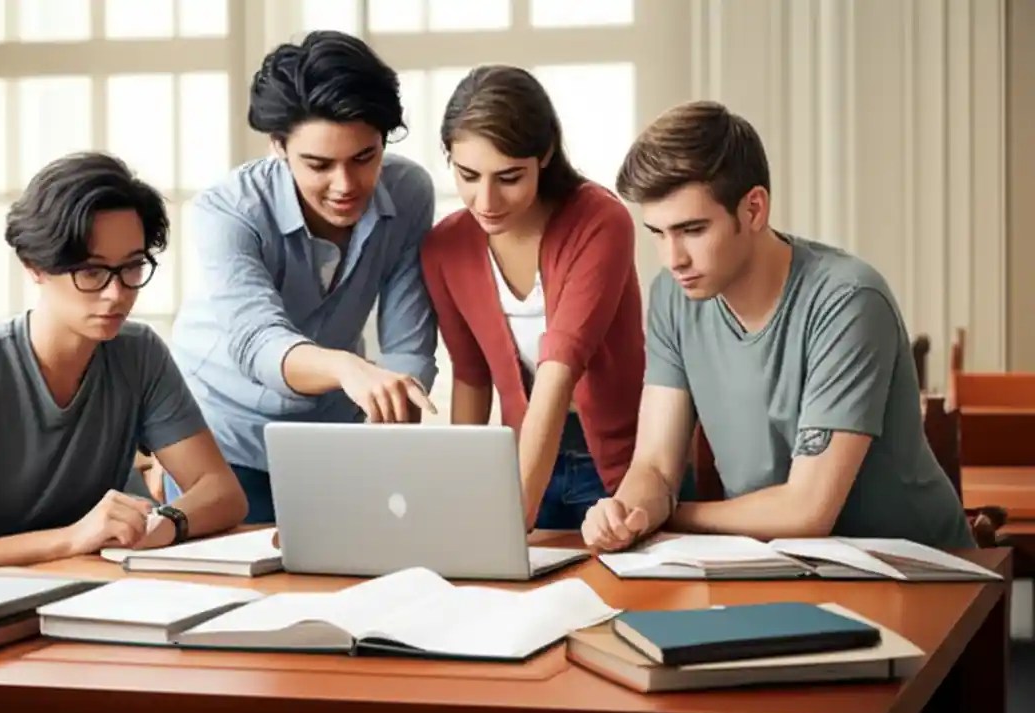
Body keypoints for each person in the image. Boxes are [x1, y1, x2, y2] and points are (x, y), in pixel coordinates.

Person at [581, 100, 975, 551]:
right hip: (775, 561)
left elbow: (807, 510)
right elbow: (654, 466)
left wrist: (670, 513)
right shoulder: (673, 296)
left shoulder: (849, 300)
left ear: (753, 210)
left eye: (692, 230)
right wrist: (625, 512)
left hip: (917, 570)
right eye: (658, 233)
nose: (673, 259)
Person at [0, 151, 249, 584]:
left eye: (131, 267)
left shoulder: (138, 353)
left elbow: (223, 493)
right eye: (91, 272)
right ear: (34, 267)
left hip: (95, 592)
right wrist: (71, 539)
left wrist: (165, 522)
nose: (117, 294)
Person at [166, 31, 439, 521]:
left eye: (365, 157)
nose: (346, 185)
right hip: (222, 438)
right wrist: (349, 368)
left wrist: (396, 426)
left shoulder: (409, 191)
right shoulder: (227, 210)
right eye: (318, 164)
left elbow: (408, 341)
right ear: (278, 146)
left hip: (333, 434)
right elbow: (258, 343)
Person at [421, 65, 644, 530]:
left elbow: (559, 369)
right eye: (467, 175)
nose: (486, 200)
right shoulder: (445, 248)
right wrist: (467, 487)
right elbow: (472, 376)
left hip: (618, 471)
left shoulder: (600, 221)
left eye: (508, 177)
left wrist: (510, 516)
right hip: (519, 461)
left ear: (544, 155)